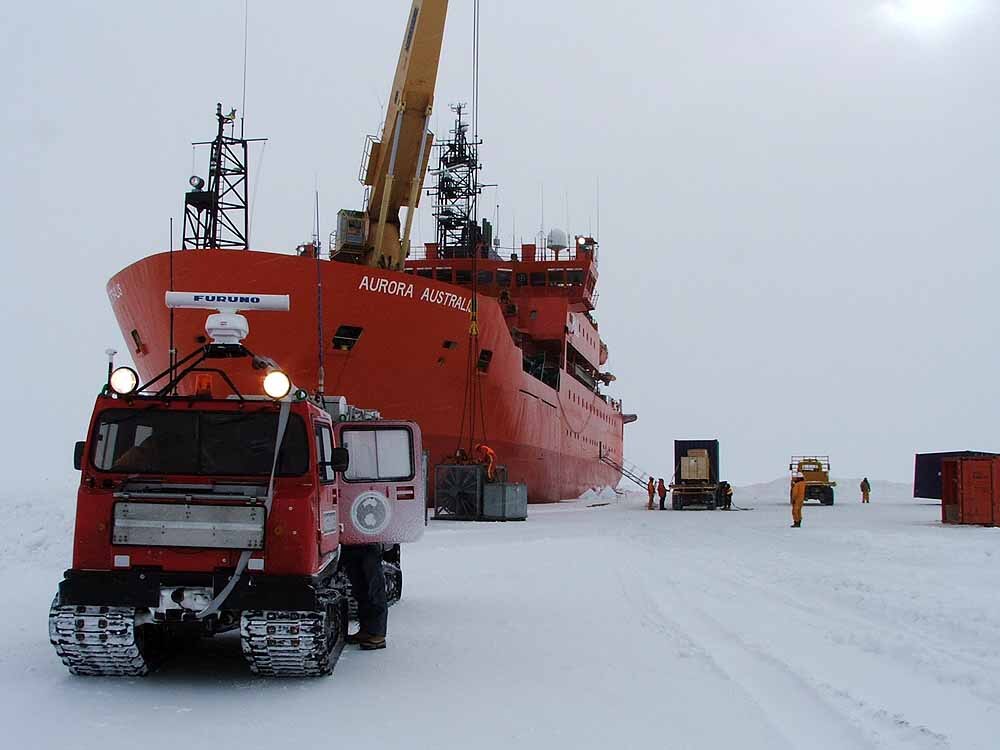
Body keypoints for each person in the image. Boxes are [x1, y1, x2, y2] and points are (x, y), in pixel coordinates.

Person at [341, 544, 388, 650]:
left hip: (369, 539)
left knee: (373, 586)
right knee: (360, 588)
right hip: (350, 541)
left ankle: (378, 633)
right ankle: (367, 630)